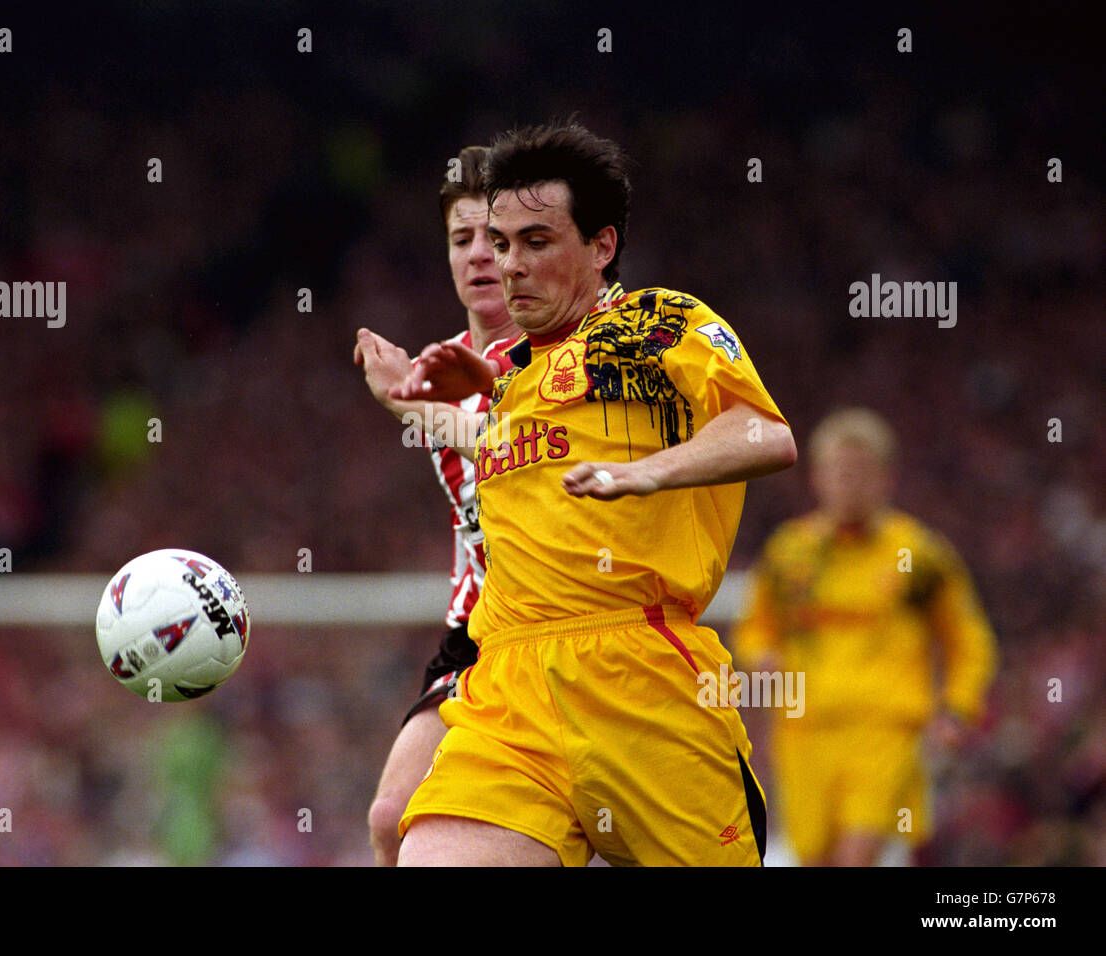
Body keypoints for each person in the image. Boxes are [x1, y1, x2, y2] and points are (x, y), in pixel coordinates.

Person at [382, 121, 796, 866]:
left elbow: (767, 435)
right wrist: (406, 403)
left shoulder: (655, 326)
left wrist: (650, 471)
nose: (509, 265)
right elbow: (499, 447)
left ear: (602, 246)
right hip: (506, 688)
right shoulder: (509, 376)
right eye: (501, 243)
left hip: (641, 678)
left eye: (536, 242)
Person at [730, 407, 998, 866]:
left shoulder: (919, 555)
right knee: (812, 859)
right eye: (838, 472)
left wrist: (959, 707)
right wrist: (762, 655)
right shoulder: (790, 552)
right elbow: (755, 626)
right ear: (817, 478)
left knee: (856, 859)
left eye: (859, 472)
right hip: (803, 734)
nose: (848, 483)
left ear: (885, 479)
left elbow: (969, 639)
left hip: (883, 733)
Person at [353, 146, 518, 866]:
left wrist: (407, 409)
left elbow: (525, 450)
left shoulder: (559, 352)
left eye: (499, 238)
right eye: (462, 239)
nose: (480, 255)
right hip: (475, 634)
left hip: (564, 628)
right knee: (391, 818)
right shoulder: (436, 364)